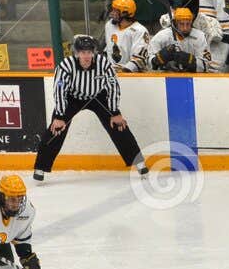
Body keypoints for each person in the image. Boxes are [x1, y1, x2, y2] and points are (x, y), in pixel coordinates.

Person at [33, 36, 146, 181]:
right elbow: (59, 91)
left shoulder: (103, 63)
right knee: (56, 128)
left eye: (89, 52)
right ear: (76, 53)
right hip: (72, 98)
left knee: (118, 125)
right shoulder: (66, 65)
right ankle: (40, 167)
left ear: (94, 52)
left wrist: (115, 112)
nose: (86, 56)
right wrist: (60, 116)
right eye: (82, 52)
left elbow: (113, 87)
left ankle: (139, 162)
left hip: (97, 97)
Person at [103, 0, 151, 72]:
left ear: (125, 13)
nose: (112, 13)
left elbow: (139, 58)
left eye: (116, 11)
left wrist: (124, 71)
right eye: (113, 9)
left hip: (132, 74)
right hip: (111, 72)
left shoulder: (140, 30)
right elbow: (108, 49)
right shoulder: (109, 25)